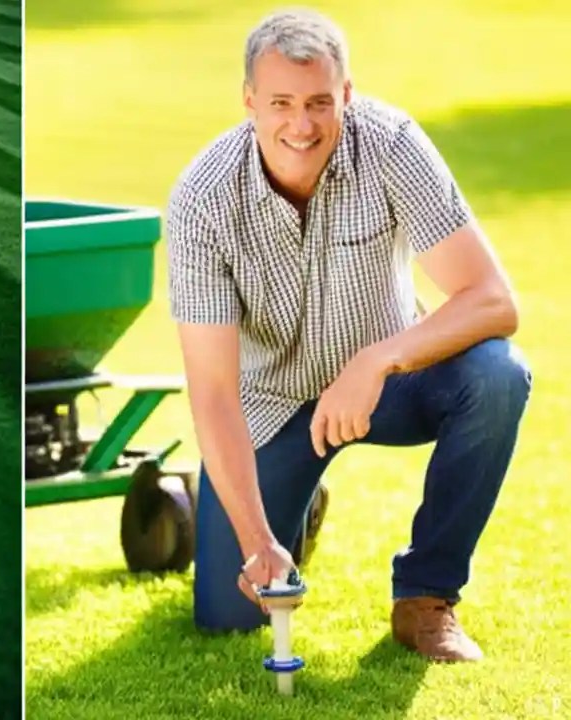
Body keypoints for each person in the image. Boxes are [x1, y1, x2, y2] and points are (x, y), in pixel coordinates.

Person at [165, 7, 532, 662]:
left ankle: (426, 599)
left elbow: (492, 300)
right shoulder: (202, 198)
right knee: (227, 616)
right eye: (280, 102)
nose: (300, 124)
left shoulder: (390, 143)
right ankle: (288, 509)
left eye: (318, 102)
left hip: (390, 385)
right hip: (271, 405)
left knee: (498, 376)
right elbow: (215, 395)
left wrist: (377, 360)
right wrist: (257, 539)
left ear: (347, 95)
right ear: (249, 100)